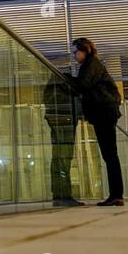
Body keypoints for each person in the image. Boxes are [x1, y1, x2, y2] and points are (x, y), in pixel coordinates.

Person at [71, 37, 124, 206]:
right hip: (105, 112)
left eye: (75, 52)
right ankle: (116, 194)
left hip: (103, 112)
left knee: (109, 155)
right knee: (110, 155)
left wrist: (66, 79)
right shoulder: (93, 64)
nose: (74, 56)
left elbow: (82, 85)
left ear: (84, 50)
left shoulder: (90, 64)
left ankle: (116, 195)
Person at [43, 72, 83, 206]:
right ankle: (63, 195)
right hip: (64, 123)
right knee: (63, 159)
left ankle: (60, 194)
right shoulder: (65, 92)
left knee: (60, 159)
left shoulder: (53, 90)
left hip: (61, 123)